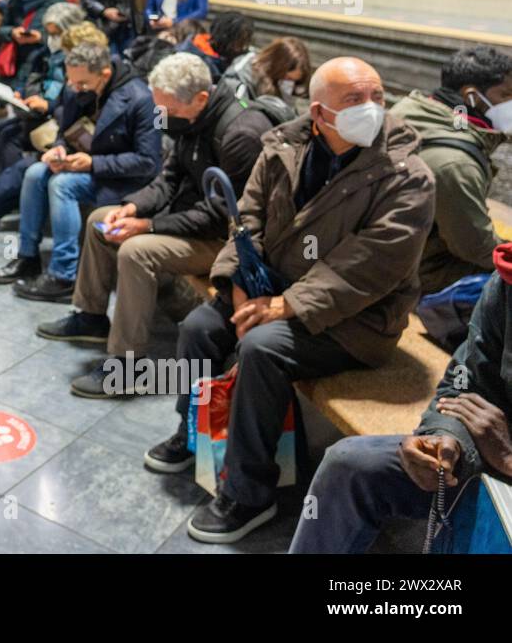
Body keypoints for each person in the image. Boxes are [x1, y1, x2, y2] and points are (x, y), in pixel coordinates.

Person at [145, 57, 435, 544]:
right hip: (271, 285)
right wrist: (238, 281)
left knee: (262, 348)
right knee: (198, 328)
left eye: (378, 97)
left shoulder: (407, 176)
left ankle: (249, 493)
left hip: (358, 319)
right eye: (355, 100)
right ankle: (192, 431)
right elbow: (249, 217)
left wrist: (287, 305)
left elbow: (372, 264)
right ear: (320, 113)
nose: (372, 108)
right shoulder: (284, 146)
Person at [47, 52, 273, 397]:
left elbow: (220, 215)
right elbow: (167, 178)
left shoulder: (241, 134)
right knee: (100, 220)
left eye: (167, 110)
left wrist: (148, 226)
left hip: (226, 240)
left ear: (199, 98)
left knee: (137, 252)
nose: (161, 117)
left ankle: (127, 366)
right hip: (195, 221)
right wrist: (131, 207)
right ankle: (91, 317)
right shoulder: (191, 119)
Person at [289, 256, 512, 553]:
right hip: (493, 453)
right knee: (351, 465)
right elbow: (464, 383)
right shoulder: (506, 283)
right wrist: (443, 438)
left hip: (504, 458)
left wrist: (509, 458)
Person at [3, 41, 162, 302]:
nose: (75, 89)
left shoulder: (141, 99)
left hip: (122, 179)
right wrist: (59, 150)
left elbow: (147, 162)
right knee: (34, 174)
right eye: (72, 82)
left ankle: (64, 275)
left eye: (83, 84)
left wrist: (92, 163)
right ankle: (28, 256)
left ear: (105, 74)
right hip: (84, 165)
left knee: (62, 185)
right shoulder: (76, 87)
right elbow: (67, 133)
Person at [0, 15, 103, 232]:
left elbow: (76, 119)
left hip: (86, 151)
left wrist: (50, 109)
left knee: (27, 161)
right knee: (5, 133)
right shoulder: (72, 76)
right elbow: (64, 112)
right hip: (67, 138)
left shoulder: (94, 87)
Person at [390, 45, 512, 296]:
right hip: (413, 272)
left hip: (388, 249)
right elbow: (476, 247)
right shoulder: (457, 164)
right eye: (506, 95)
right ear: (471, 97)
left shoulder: (406, 112)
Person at [0, 0, 59, 95]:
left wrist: (41, 37)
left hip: (43, 63)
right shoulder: (15, 0)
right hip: (16, 61)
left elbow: (66, 35)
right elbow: (1, 29)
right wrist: (12, 33)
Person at [221, 35, 311, 111]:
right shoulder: (240, 74)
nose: (288, 84)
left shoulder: (282, 84)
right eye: (287, 78)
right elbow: (238, 106)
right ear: (277, 67)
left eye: (294, 81)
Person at [179, 11, 254, 81]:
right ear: (224, 37)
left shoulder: (224, 58)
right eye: (239, 43)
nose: (242, 48)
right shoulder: (195, 60)